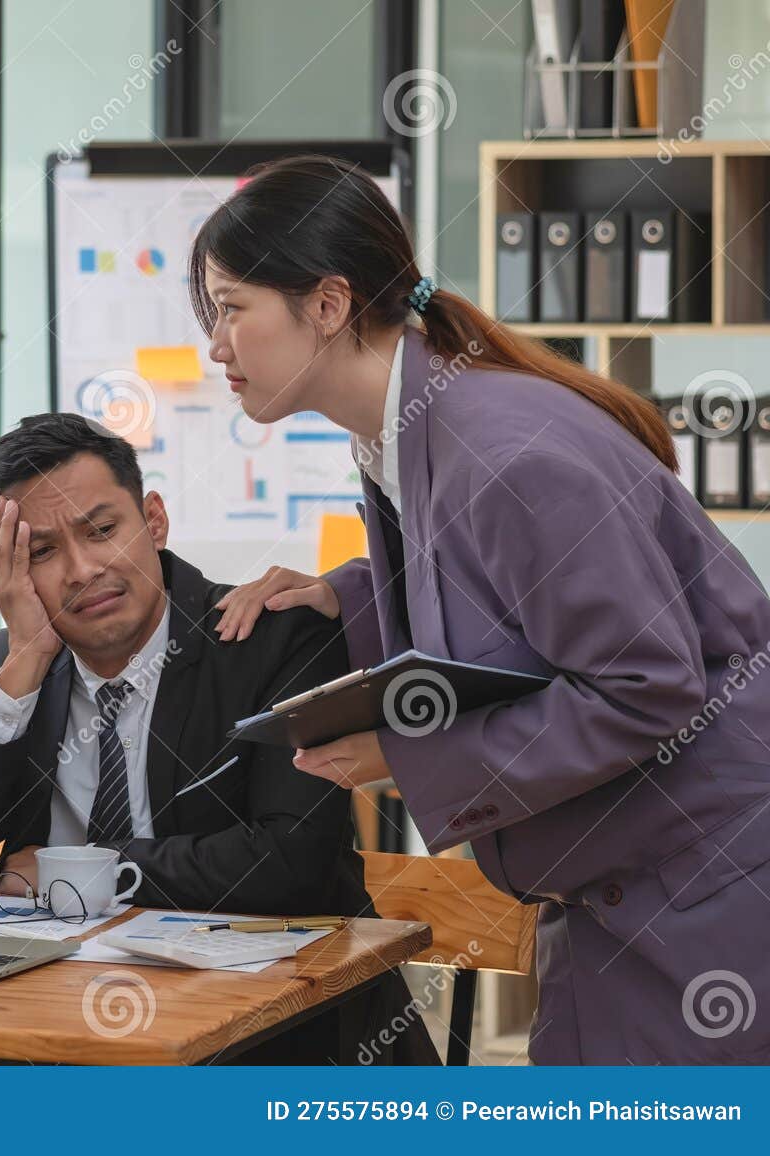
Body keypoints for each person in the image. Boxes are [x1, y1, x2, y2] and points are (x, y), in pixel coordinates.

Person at [197, 155, 770, 1064]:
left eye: (231, 308)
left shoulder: (504, 453)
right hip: (616, 898)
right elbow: (497, 600)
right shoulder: (405, 435)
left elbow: (647, 685)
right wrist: (344, 591)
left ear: (329, 303)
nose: (215, 347)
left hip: (709, 893)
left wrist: (407, 752)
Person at [0, 412, 438, 1064]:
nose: (82, 569)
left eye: (102, 530)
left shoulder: (271, 639)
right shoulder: (7, 667)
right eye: (43, 552)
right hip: (59, 1028)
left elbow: (291, 862)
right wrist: (20, 669)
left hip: (280, 1039)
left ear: (153, 520)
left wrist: (78, 875)